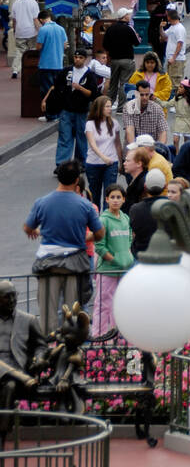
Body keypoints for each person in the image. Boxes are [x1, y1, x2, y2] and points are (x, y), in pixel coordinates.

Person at [23, 160, 105, 335]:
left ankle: (48, 349)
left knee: (47, 314)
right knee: (73, 315)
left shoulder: (42, 202)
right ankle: (72, 350)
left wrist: (38, 231)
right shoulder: (85, 205)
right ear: (77, 180)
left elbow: (28, 227)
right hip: (74, 265)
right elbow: (99, 233)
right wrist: (84, 237)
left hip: (47, 264)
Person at [45, 48, 102, 168]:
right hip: (66, 109)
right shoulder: (66, 71)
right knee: (65, 137)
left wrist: (80, 88)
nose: (77, 60)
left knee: (81, 138)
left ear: (85, 59)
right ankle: (62, 164)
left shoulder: (90, 74)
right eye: (76, 57)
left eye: (80, 57)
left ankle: (80, 163)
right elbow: (55, 87)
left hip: (82, 111)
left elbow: (92, 94)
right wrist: (46, 100)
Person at [91, 183, 134, 335]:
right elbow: (100, 247)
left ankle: (119, 337)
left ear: (123, 200)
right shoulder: (103, 220)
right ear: (107, 199)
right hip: (107, 270)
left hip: (124, 270)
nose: (115, 200)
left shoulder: (126, 218)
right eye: (112, 197)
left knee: (121, 305)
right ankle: (99, 335)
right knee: (103, 305)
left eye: (119, 197)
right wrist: (115, 260)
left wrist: (126, 258)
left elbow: (129, 238)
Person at [84, 94, 124, 212]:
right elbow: (92, 144)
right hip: (93, 164)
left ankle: (107, 222)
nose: (109, 109)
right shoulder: (90, 124)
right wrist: (103, 157)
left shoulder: (114, 123)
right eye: (107, 106)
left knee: (110, 194)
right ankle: (95, 223)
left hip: (111, 164)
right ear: (99, 108)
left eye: (110, 106)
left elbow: (117, 143)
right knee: (94, 196)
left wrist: (121, 162)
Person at [129, 169, 166, 256]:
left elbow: (134, 232)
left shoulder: (135, 209)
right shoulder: (173, 207)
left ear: (145, 186)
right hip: (167, 255)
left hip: (142, 256)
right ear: (165, 186)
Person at [124, 79, 169, 146]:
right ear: (136, 94)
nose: (144, 97)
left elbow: (163, 132)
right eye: (141, 95)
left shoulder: (158, 109)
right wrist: (134, 149)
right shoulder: (128, 107)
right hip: (133, 146)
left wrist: (160, 148)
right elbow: (129, 130)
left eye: (147, 94)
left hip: (151, 148)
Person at [9, 0, 40, 79]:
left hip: (20, 31)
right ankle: (32, 68)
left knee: (19, 51)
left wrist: (15, 29)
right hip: (31, 31)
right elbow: (35, 19)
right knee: (32, 49)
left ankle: (15, 70)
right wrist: (39, 30)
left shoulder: (15, 3)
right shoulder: (33, 3)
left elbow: (14, 20)